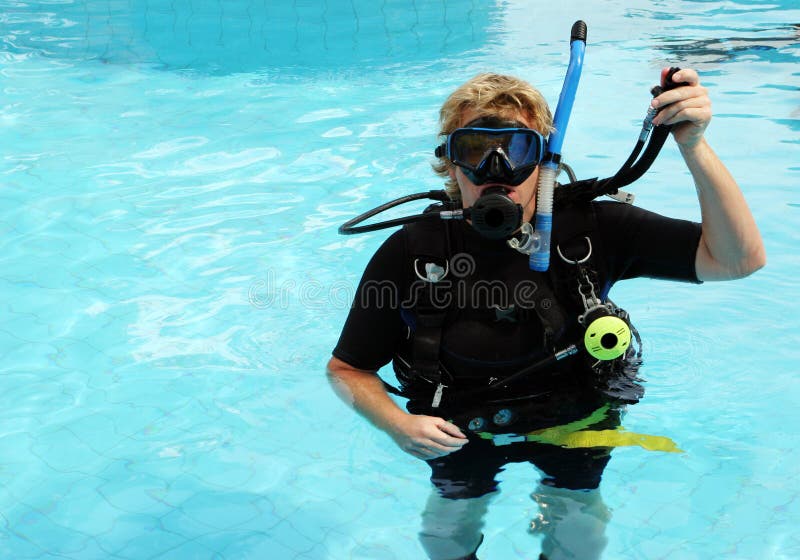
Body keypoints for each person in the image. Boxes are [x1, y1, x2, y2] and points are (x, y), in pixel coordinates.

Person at [327, 68, 765, 560]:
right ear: (450, 165)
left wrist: (694, 146)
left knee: (579, 532)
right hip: (456, 431)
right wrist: (396, 424)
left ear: (546, 160)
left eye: (518, 149)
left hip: (577, 418)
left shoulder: (595, 230)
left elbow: (737, 260)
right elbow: (348, 369)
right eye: (474, 149)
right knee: (444, 535)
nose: (497, 169)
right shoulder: (413, 250)